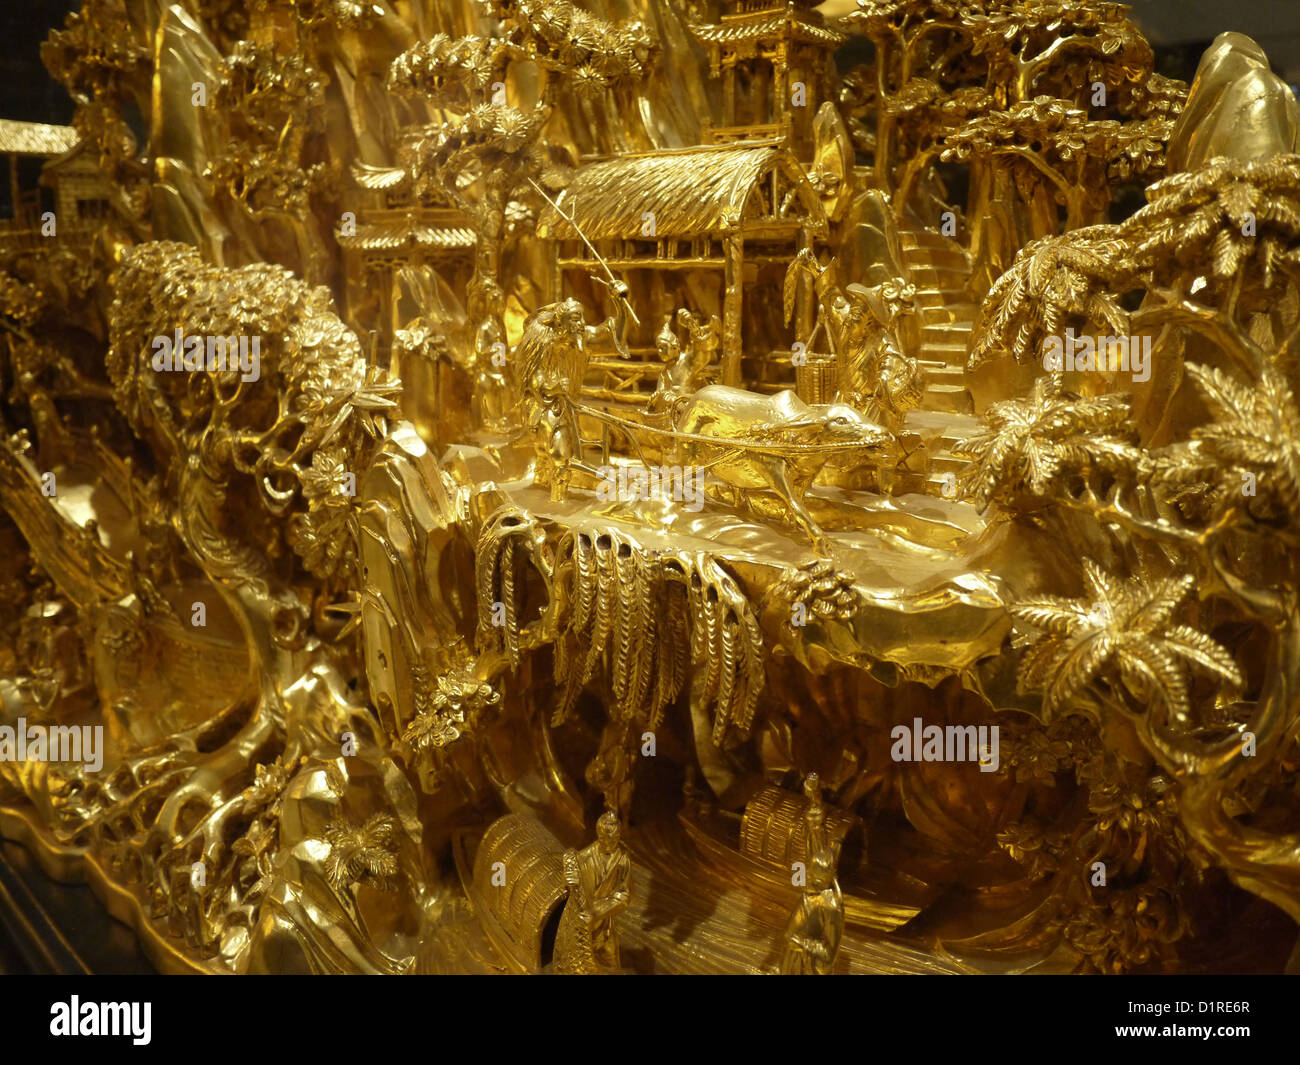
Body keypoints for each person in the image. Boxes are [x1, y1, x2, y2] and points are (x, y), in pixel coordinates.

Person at [555, 810, 632, 973]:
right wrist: (568, 880)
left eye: (617, 837)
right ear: (600, 836)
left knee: (611, 960)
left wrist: (597, 910)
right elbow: (568, 884)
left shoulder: (622, 859)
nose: (615, 842)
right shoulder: (583, 857)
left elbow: (625, 895)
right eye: (610, 838)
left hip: (604, 924)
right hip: (580, 924)